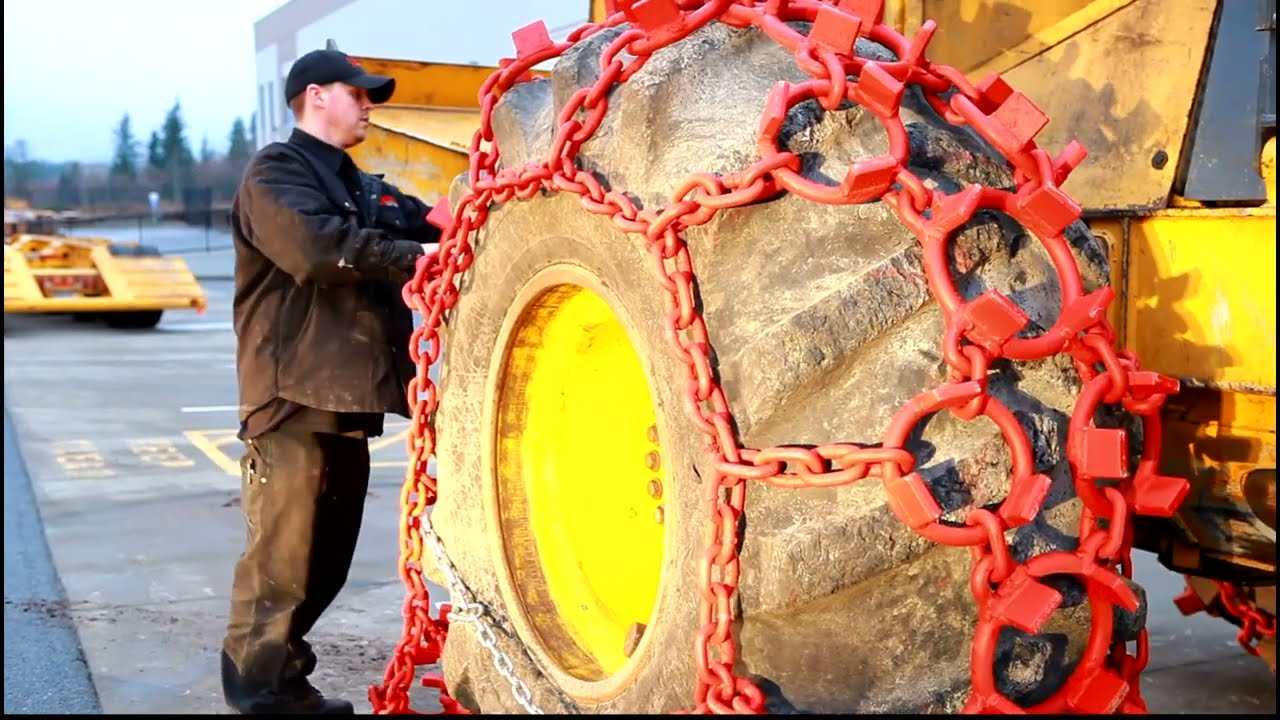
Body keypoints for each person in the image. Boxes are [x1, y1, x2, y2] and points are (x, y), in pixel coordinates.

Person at [220, 48, 442, 715]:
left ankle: (286, 681)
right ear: (316, 96)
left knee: (325, 560)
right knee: (283, 562)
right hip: (291, 396)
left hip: (341, 399)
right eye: (359, 93)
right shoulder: (278, 174)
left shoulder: (351, 181)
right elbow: (320, 249)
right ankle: (258, 692)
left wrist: (461, 221)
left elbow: (415, 215)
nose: (368, 105)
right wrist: (421, 257)